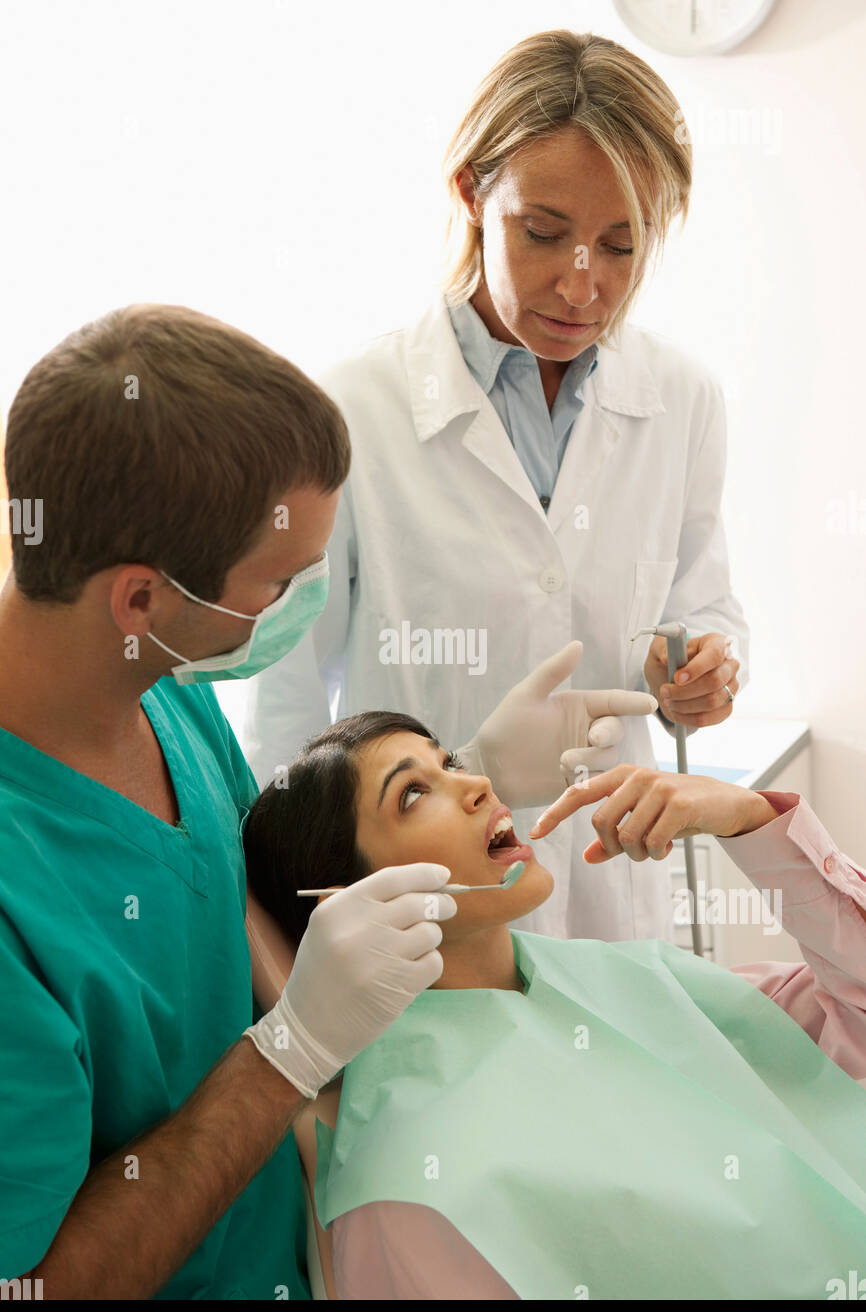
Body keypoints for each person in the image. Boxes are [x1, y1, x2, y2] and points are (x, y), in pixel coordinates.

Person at [0, 303, 652, 1298]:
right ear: (140, 600)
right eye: (278, 584)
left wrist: (456, 775)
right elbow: (41, 1295)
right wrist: (287, 1052)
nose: (300, 607)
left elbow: (242, 914)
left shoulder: (160, 692)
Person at [243, 27, 749, 946]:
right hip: (428, 919)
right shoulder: (352, 409)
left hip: (611, 898)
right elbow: (284, 712)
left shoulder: (682, 400)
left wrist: (702, 671)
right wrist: (305, 936)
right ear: (473, 193)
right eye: (543, 233)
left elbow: (700, 602)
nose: (582, 285)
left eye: (621, 246)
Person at [243, 714, 866, 1301]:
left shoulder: (629, 977)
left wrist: (751, 819)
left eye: (449, 761)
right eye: (411, 794)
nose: (478, 783)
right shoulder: (414, 1193)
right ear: (348, 900)